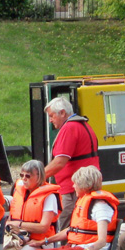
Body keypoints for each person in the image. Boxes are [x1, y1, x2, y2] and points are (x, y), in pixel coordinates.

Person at [28, 166, 118, 250]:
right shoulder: (84, 200)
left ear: (85, 184)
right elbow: (71, 230)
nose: (73, 186)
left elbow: (102, 241)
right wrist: (44, 241)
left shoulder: (100, 206)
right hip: (77, 246)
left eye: (76, 183)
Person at [43, 97, 100, 231]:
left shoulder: (69, 128)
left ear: (62, 113)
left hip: (72, 189)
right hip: (82, 186)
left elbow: (59, 162)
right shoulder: (83, 124)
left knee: (66, 226)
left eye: (52, 116)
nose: (50, 120)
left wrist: (38, 177)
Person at [4, 159, 61, 250]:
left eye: (28, 176)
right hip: (18, 237)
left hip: (41, 242)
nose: (24, 179)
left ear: (39, 177)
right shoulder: (18, 191)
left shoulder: (49, 196)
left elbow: (44, 227)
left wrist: (19, 224)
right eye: (22, 175)